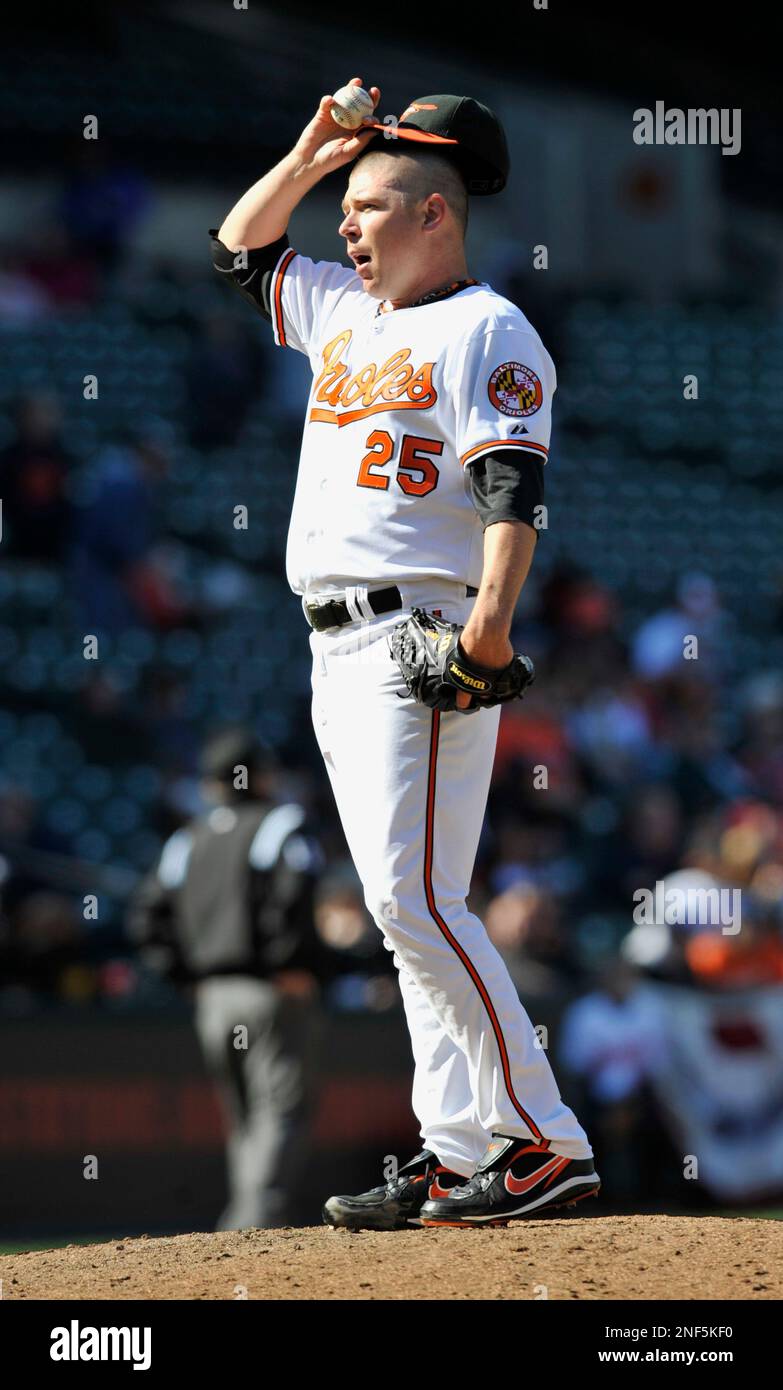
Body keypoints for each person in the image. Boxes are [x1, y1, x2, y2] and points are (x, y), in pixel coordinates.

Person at [209, 81, 600, 1228]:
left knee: (417, 896)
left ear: (437, 215)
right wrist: (312, 152)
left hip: (417, 637)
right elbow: (239, 251)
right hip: (332, 640)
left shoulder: (487, 326)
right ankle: (456, 1148)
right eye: (343, 208)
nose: (344, 224)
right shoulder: (343, 309)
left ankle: (543, 1140)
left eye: (370, 206)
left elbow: (511, 491)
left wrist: (488, 631)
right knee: (405, 908)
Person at [126, 728, 328, 1230]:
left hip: (212, 998)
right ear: (260, 775)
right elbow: (294, 891)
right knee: (279, 1111)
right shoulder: (280, 823)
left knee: (243, 1117)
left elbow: (146, 916)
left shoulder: (187, 837)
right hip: (270, 992)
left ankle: (245, 1223)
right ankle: (254, 1225)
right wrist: (290, 962)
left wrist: (184, 975)